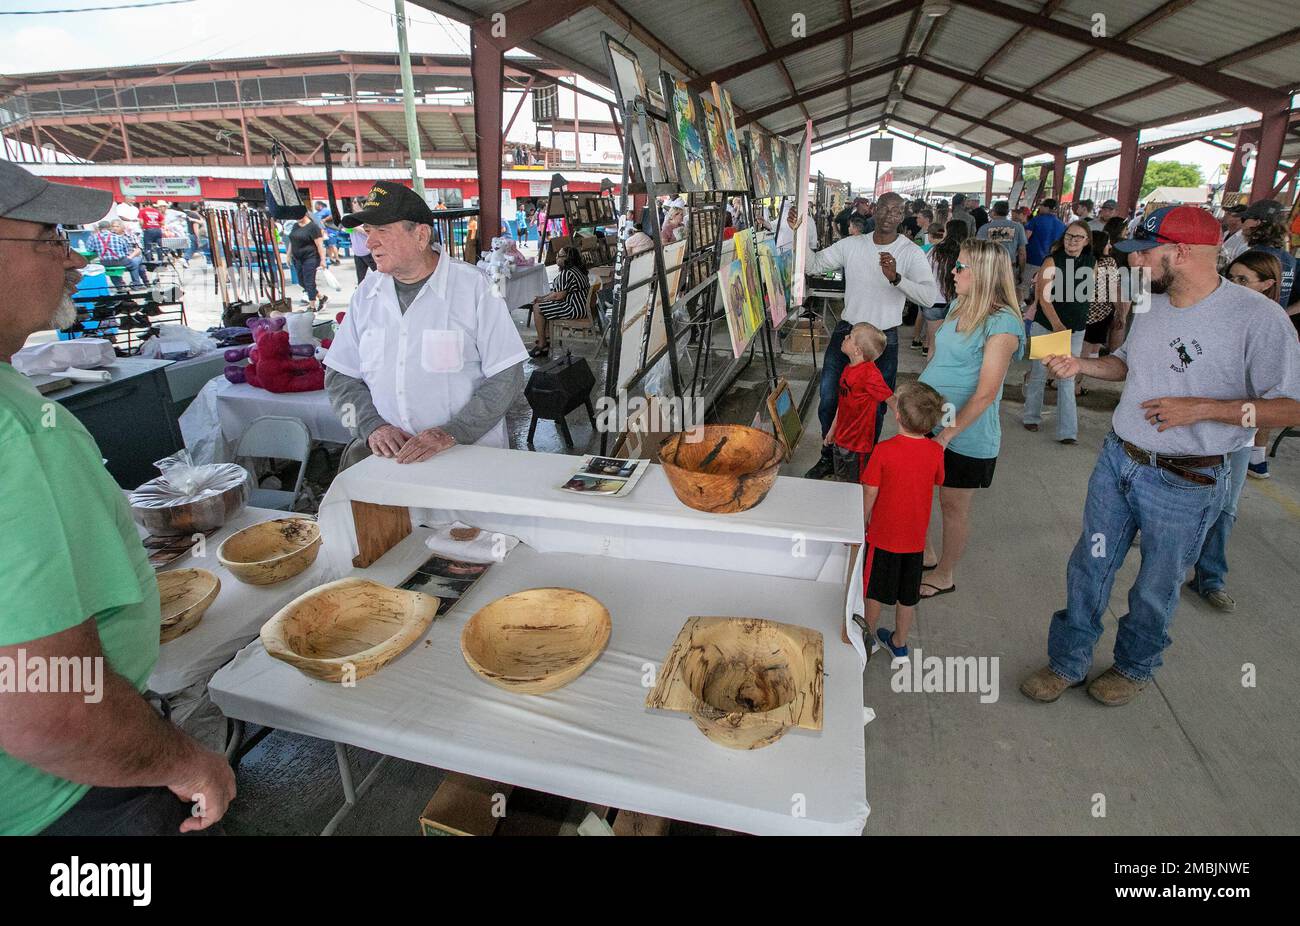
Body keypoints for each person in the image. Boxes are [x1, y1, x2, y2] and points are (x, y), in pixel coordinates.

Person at [0, 161, 235, 836]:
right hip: (63, 799)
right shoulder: (12, 431)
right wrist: (183, 760)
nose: (73, 259)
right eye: (48, 237)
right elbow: (48, 706)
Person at [1020, 205, 1300, 707]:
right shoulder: (1152, 304)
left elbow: (1289, 407)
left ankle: (1133, 665)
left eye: (1144, 253)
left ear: (1183, 252)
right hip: (1118, 460)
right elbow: (1123, 364)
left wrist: (1204, 409)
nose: (1134, 263)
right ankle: (1068, 661)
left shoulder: (1258, 318)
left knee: (1156, 582)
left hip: (1186, 479)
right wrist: (1080, 364)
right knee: (1089, 564)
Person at [324, 182, 528, 470]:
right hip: (390, 464)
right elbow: (339, 377)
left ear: (420, 235)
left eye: (382, 231)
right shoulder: (366, 295)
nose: (370, 243)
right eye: (368, 231)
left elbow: (508, 377)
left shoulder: (475, 288)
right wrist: (372, 427)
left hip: (465, 461)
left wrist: (453, 432)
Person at [789, 191, 940, 479]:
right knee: (830, 397)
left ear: (902, 216)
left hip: (883, 339)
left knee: (875, 407)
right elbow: (814, 265)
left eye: (896, 211)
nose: (889, 215)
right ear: (874, 210)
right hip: (848, 332)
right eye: (884, 208)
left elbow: (929, 297)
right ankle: (830, 456)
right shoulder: (852, 244)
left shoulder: (909, 252)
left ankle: (864, 463)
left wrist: (896, 278)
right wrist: (799, 234)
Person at [917, 238, 1026, 599]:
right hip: (931, 420)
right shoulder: (958, 305)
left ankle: (945, 573)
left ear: (983, 274)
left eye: (961, 266)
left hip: (965, 433)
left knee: (953, 505)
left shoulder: (1003, 324)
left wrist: (947, 435)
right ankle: (929, 553)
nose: (953, 270)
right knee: (924, 492)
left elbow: (986, 393)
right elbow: (938, 357)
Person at [860, 382, 948, 661]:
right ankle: (899, 643)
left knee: (874, 591)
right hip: (914, 540)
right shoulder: (935, 451)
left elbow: (870, 490)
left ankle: (867, 638)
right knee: (908, 595)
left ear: (897, 414)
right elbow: (938, 479)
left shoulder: (883, 450)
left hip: (883, 537)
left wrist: (861, 522)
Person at [1022, 219, 1094, 443]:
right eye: (1069, 236)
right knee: (1039, 373)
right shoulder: (1052, 261)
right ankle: (1031, 416)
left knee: (1067, 378)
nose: (1072, 241)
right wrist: (1057, 326)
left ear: (1086, 240)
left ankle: (1067, 432)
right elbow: (1044, 298)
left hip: (1076, 328)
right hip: (1048, 326)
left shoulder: (1092, 261)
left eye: (1077, 237)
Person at [1222, 252, 1289, 480]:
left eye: (1243, 280)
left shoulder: (1272, 324)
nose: (1233, 285)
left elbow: (1280, 401)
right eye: (1230, 277)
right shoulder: (1221, 314)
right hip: (1210, 432)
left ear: (1267, 284)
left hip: (1239, 432)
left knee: (1227, 503)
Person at [825, 323, 891, 483]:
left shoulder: (870, 374)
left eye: (850, 337)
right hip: (841, 439)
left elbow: (891, 398)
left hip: (857, 447)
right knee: (841, 480)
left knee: (855, 486)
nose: (845, 337)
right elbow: (843, 402)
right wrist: (833, 429)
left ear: (857, 350)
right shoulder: (849, 368)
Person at [1077, 229, 1130, 393]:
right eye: (1107, 242)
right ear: (1101, 244)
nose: (1110, 245)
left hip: (1079, 312)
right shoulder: (1108, 262)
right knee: (1086, 352)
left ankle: (1066, 381)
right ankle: (1074, 386)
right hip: (1098, 314)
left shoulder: (1081, 259)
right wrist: (1121, 313)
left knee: (1081, 348)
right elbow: (1114, 290)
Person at [528, 245, 590, 358]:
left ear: (567, 258)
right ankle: (545, 342)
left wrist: (542, 301)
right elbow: (558, 293)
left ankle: (542, 344)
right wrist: (542, 298)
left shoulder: (568, 273)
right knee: (541, 305)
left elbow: (558, 296)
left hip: (573, 308)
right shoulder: (577, 270)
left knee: (537, 308)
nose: (557, 257)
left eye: (559, 255)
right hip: (580, 306)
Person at [919, 220, 968, 358]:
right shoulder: (966, 252)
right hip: (958, 301)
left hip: (933, 301)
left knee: (933, 346)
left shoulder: (933, 250)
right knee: (954, 345)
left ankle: (931, 378)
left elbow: (923, 273)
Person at [1241, 217, 1296, 308]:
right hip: (1277, 311)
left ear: (1256, 235)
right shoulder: (1290, 258)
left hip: (1253, 308)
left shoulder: (1256, 254)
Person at [1022, 198, 1066, 303]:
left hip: (1033, 259)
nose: (1039, 208)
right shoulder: (1062, 225)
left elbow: (1025, 238)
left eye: (1041, 205)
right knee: (1045, 287)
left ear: (1047, 207)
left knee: (1026, 286)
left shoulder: (1036, 220)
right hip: (1051, 261)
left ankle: (1025, 308)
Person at [89, 219, 146, 290]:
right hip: (120, 260)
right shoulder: (117, 237)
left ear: (99, 228)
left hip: (104, 262)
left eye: (117, 226)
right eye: (113, 226)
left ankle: (119, 287)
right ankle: (136, 284)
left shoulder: (94, 237)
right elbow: (125, 250)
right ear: (110, 228)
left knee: (112, 269)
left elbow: (90, 249)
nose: (115, 228)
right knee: (134, 264)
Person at [976, 200, 1027, 276]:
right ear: (1007, 212)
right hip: (1009, 267)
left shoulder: (984, 228)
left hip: (989, 267)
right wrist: (1021, 272)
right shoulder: (1018, 227)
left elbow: (978, 251)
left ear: (994, 212)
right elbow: (1022, 252)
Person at [288, 212, 328, 310]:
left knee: (309, 282)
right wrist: (288, 255)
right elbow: (292, 241)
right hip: (297, 258)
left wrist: (323, 260)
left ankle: (312, 306)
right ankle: (322, 297)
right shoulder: (295, 225)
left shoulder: (313, 227)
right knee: (302, 282)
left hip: (310, 257)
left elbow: (319, 244)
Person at [136, 199, 166, 266]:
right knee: (159, 246)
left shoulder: (142, 211)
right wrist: (156, 223)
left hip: (148, 230)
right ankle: (160, 261)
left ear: (145, 205)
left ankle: (149, 262)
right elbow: (163, 222)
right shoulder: (156, 211)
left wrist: (142, 227)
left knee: (148, 246)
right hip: (158, 230)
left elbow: (141, 222)